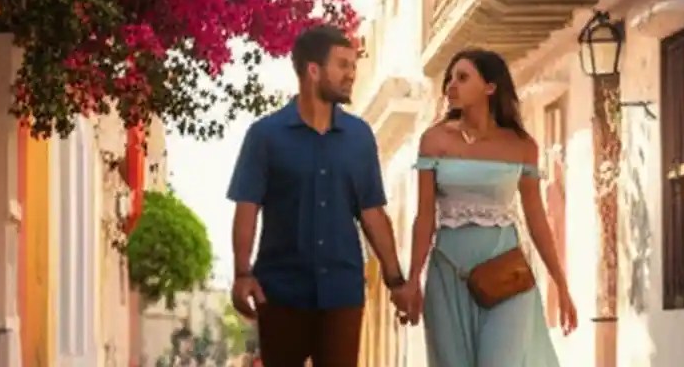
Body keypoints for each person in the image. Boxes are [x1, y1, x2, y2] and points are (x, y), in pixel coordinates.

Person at [226, 24, 414, 367]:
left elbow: (372, 212)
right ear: (313, 70)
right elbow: (247, 208)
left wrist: (396, 280)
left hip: (342, 291)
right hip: (280, 291)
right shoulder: (265, 136)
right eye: (342, 65)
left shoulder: (359, 137)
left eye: (353, 66)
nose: (351, 74)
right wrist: (242, 273)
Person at [395, 48, 577, 365]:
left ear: (490, 87)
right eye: (450, 79)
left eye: (463, 78)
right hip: (447, 276)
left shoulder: (522, 146)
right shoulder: (434, 140)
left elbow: (537, 219)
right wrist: (413, 280)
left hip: (506, 273)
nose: (452, 85)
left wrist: (561, 284)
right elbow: (424, 217)